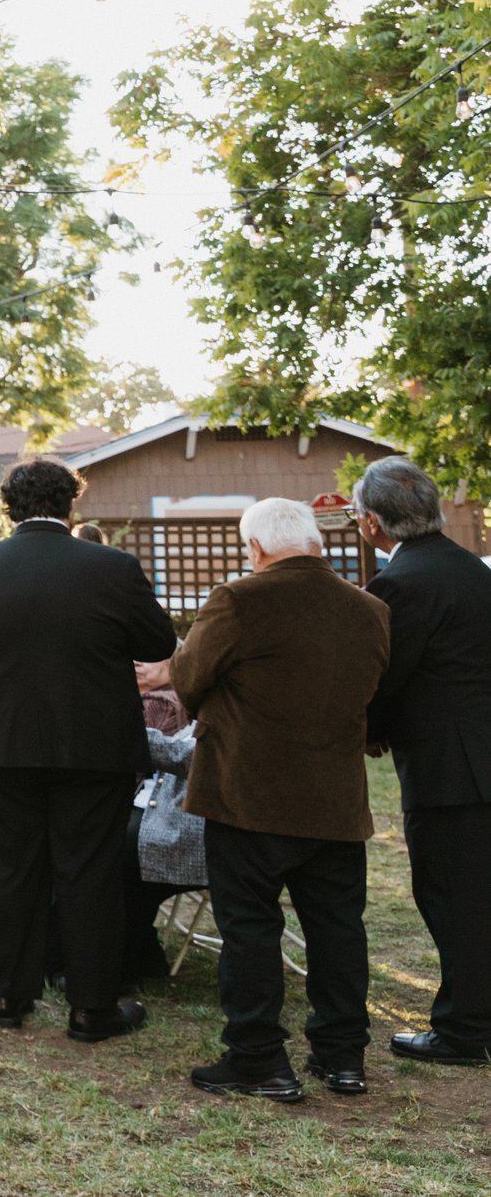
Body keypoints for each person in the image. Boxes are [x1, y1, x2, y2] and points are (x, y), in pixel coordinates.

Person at [142, 497, 390, 1101]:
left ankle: (257, 1058)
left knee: (250, 928)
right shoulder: (372, 609)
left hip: (247, 795)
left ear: (254, 548)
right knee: (338, 929)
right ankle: (342, 1057)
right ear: (316, 542)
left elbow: (192, 678)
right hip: (335, 796)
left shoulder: (237, 599)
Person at [0, 457, 175, 1042]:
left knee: (10, 869)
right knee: (90, 872)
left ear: (8, 507)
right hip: (94, 747)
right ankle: (93, 1008)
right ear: (72, 504)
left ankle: (9, 996)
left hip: (2, 745)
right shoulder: (112, 567)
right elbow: (158, 639)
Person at [354, 456, 491, 1067]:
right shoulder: (474, 570)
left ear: (372, 524)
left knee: (453, 896)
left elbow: (385, 677)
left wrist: (368, 731)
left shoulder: (401, 583)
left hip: (450, 765)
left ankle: (464, 1030)